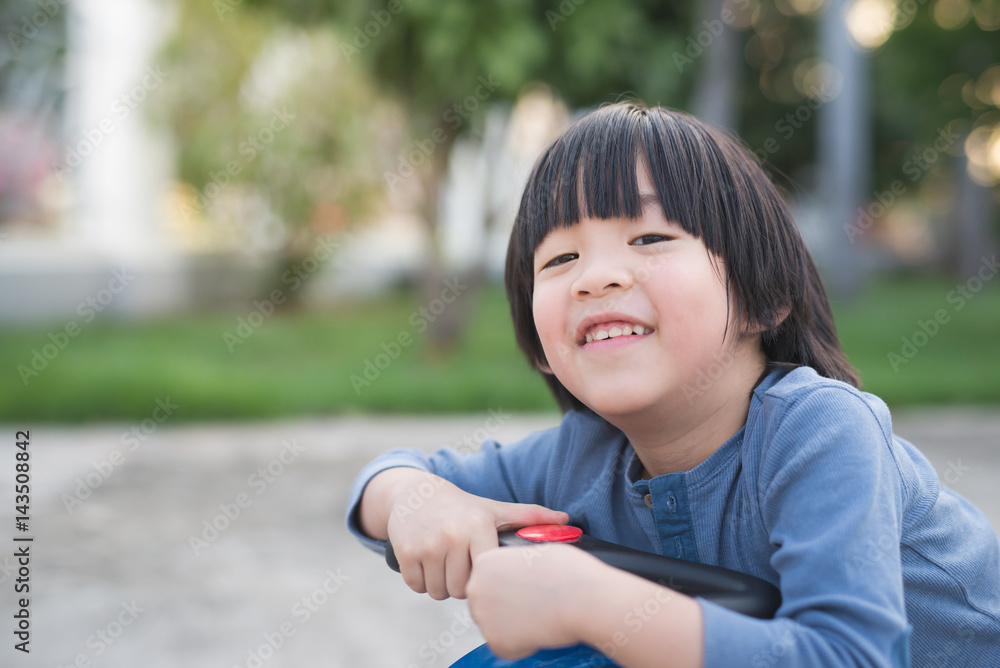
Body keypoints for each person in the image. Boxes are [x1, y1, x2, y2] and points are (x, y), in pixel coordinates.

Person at [346, 101, 1000, 667]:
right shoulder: (580, 458)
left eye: (650, 236)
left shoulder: (819, 431)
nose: (595, 277)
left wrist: (589, 600)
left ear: (761, 299)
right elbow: (386, 478)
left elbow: (852, 657)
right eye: (562, 257)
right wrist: (417, 500)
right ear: (539, 344)